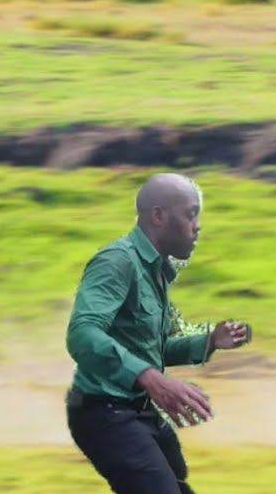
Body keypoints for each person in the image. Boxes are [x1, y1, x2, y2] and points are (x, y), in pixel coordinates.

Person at [65, 173, 252, 493]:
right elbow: (82, 334)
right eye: (191, 214)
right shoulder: (117, 261)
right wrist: (152, 379)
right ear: (158, 216)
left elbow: (150, 347)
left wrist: (208, 341)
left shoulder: (154, 271)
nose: (197, 226)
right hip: (103, 414)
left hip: (136, 411)